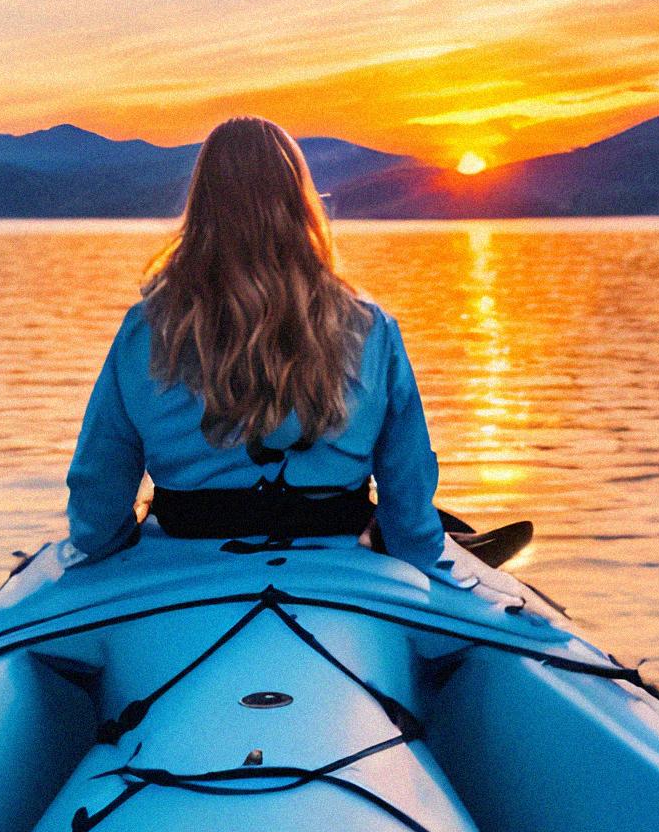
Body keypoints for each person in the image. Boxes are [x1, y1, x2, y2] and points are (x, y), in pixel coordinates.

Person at [64, 115, 452, 574]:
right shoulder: (371, 328)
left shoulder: (147, 328)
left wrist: (100, 549)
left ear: (202, 205)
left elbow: (97, 508)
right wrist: (429, 562)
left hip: (182, 580)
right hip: (341, 577)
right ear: (299, 202)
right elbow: (408, 508)